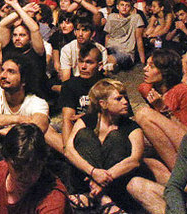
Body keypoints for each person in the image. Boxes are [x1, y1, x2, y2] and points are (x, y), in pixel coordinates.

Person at [63, 79, 156, 214]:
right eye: (118, 99)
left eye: (125, 97)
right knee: (84, 135)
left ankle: (96, 196)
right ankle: (102, 199)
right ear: (103, 104)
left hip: (116, 185)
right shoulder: (86, 120)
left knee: (115, 137)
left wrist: (102, 180)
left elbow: (134, 160)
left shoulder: (132, 127)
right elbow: (69, 150)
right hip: (87, 179)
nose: (125, 102)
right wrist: (93, 172)